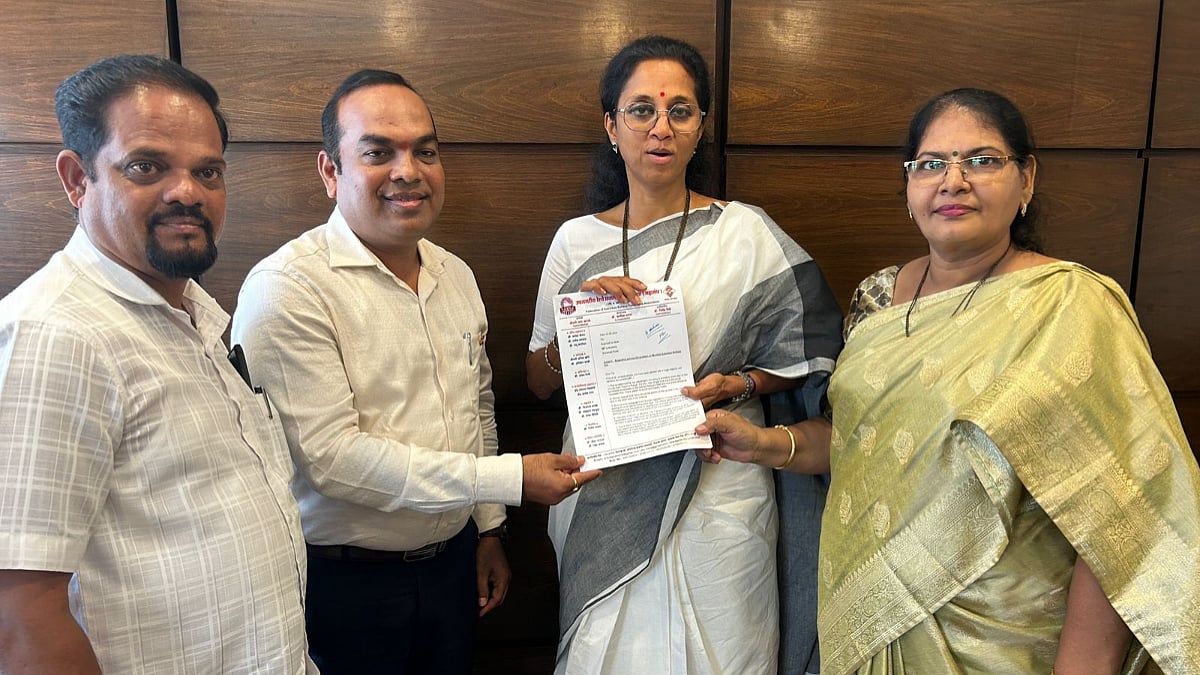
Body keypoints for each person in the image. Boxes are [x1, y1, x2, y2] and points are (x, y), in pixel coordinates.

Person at [697, 88, 1200, 674]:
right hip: (872, 619)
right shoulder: (877, 298)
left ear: (1026, 179)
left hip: (1011, 643)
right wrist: (763, 444)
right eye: (931, 163)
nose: (953, 181)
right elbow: (857, 441)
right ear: (909, 185)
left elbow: (1121, 522)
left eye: (982, 161)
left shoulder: (1071, 307)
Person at [231, 69, 600, 675]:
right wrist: (508, 479)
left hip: (454, 566)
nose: (408, 171)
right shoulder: (288, 288)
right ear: (330, 171)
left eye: (425, 151)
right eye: (378, 153)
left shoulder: (455, 274)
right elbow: (332, 460)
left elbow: (477, 407)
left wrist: (489, 529)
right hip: (346, 583)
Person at [525, 36, 843, 675]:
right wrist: (579, 324)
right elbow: (537, 380)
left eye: (680, 111)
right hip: (604, 484)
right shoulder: (574, 241)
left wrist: (737, 385)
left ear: (701, 127)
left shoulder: (746, 233)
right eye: (641, 110)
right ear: (612, 126)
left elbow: (811, 351)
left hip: (720, 487)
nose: (660, 127)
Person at [0, 55, 312, 673]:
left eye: (208, 171)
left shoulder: (192, 311)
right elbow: (18, 621)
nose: (187, 192)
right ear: (77, 179)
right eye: (146, 166)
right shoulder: (55, 334)